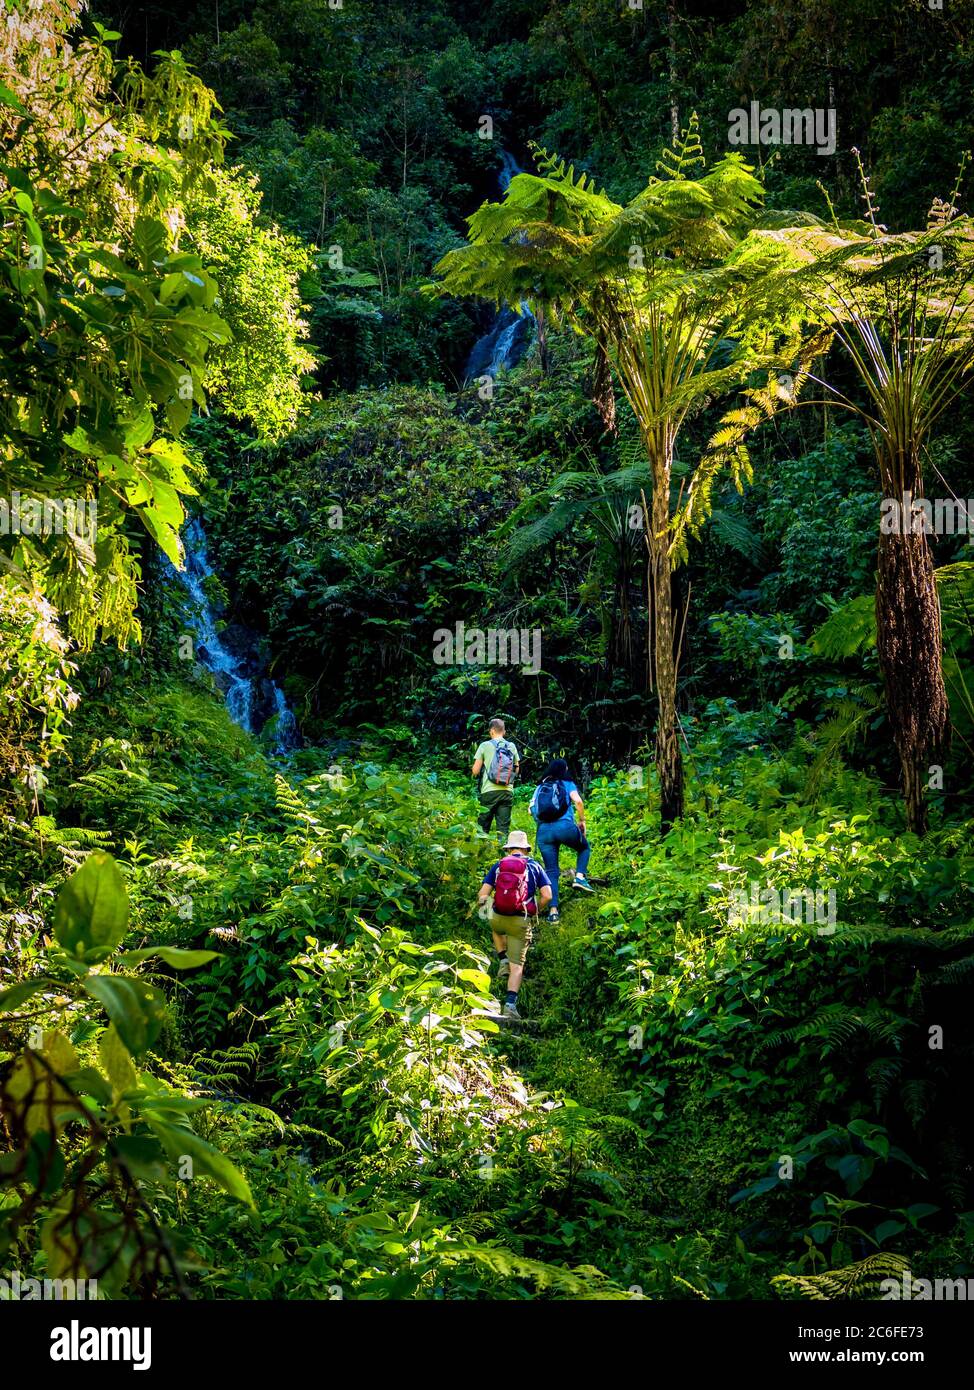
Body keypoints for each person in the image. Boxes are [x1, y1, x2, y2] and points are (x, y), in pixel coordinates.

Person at [476, 829, 551, 1019]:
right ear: (526, 848)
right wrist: (535, 909)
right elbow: (547, 895)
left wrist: (488, 906)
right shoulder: (534, 866)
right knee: (517, 967)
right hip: (520, 920)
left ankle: (502, 959)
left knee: (495, 927)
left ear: (509, 848)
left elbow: (482, 896)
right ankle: (509, 1006)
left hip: (498, 919)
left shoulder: (499, 865)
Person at [529, 758, 594, 924]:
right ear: (564, 770)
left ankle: (553, 911)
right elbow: (578, 801)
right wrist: (582, 821)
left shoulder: (540, 787)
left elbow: (531, 811)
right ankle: (579, 877)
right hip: (564, 827)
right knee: (584, 848)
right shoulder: (567, 783)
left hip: (543, 832)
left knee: (551, 871)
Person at [471, 717, 520, 844]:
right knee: (503, 829)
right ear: (503, 731)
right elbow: (516, 769)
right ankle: (502, 858)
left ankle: (480, 856)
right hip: (507, 791)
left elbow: (475, 771)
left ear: (491, 731)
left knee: (483, 826)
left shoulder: (485, 745)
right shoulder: (511, 746)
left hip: (489, 791)